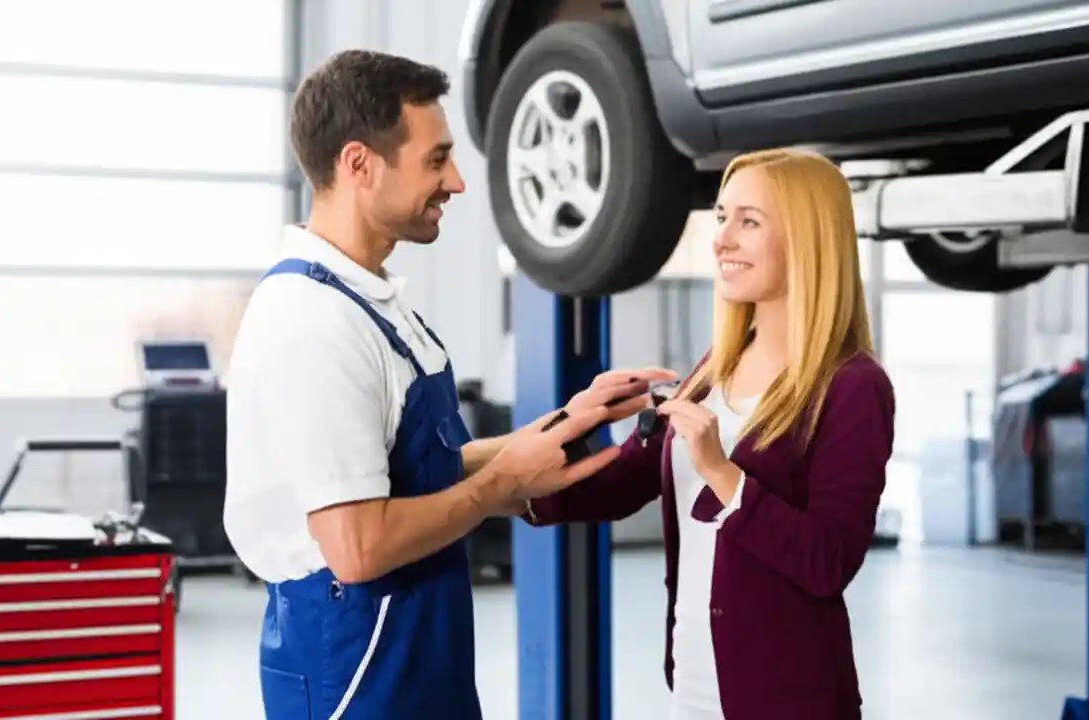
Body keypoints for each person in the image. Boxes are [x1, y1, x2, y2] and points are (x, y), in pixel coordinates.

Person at [222, 49, 668, 720]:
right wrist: (504, 483)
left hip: (419, 655)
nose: (455, 182)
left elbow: (421, 469)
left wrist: (565, 422)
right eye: (436, 160)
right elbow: (358, 547)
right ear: (359, 165)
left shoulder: (369, 301)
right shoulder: (313, 323)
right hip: (354, 670)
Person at [526, 148, 896, 720]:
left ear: (808, 239)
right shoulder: (714, 369)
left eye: (749, 221)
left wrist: (725, 476)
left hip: (788, 698)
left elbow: (829, 562)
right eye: (722, 217)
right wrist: (512, 484)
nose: (722, 239)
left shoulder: (853, 387)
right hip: (695, 685)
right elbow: (625, 482)